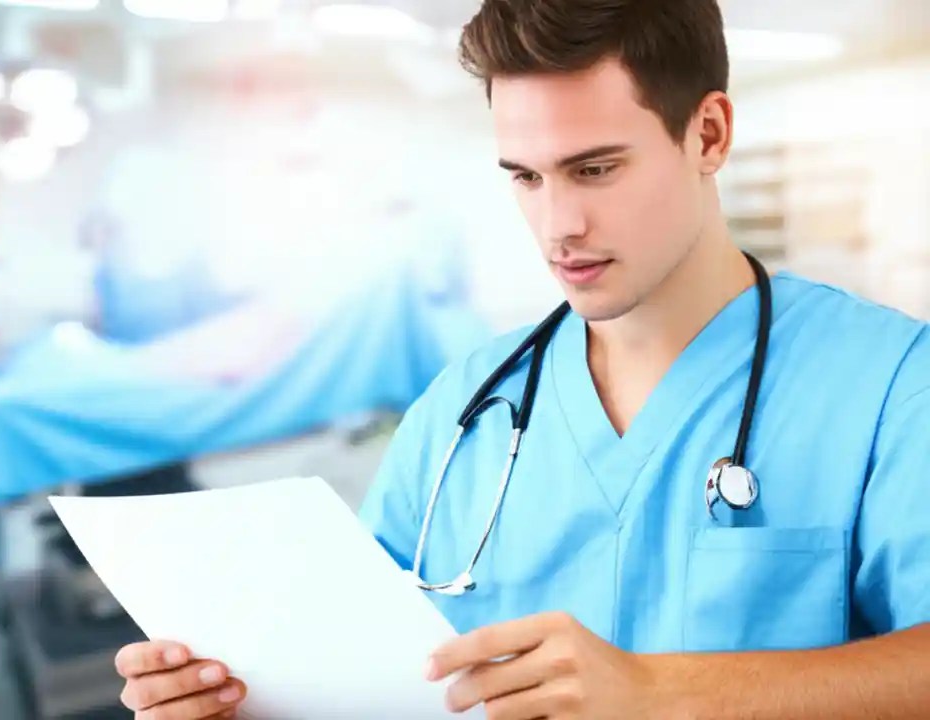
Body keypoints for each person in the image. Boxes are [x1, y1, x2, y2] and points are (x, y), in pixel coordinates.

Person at [112, 0, 930, 717]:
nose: (556, 225)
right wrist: (238, 701)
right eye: (525, 177)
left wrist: (663, 696)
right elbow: (356, 668)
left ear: (708, 134)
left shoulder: (892, 384)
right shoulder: (464, 407)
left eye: (595, 169)